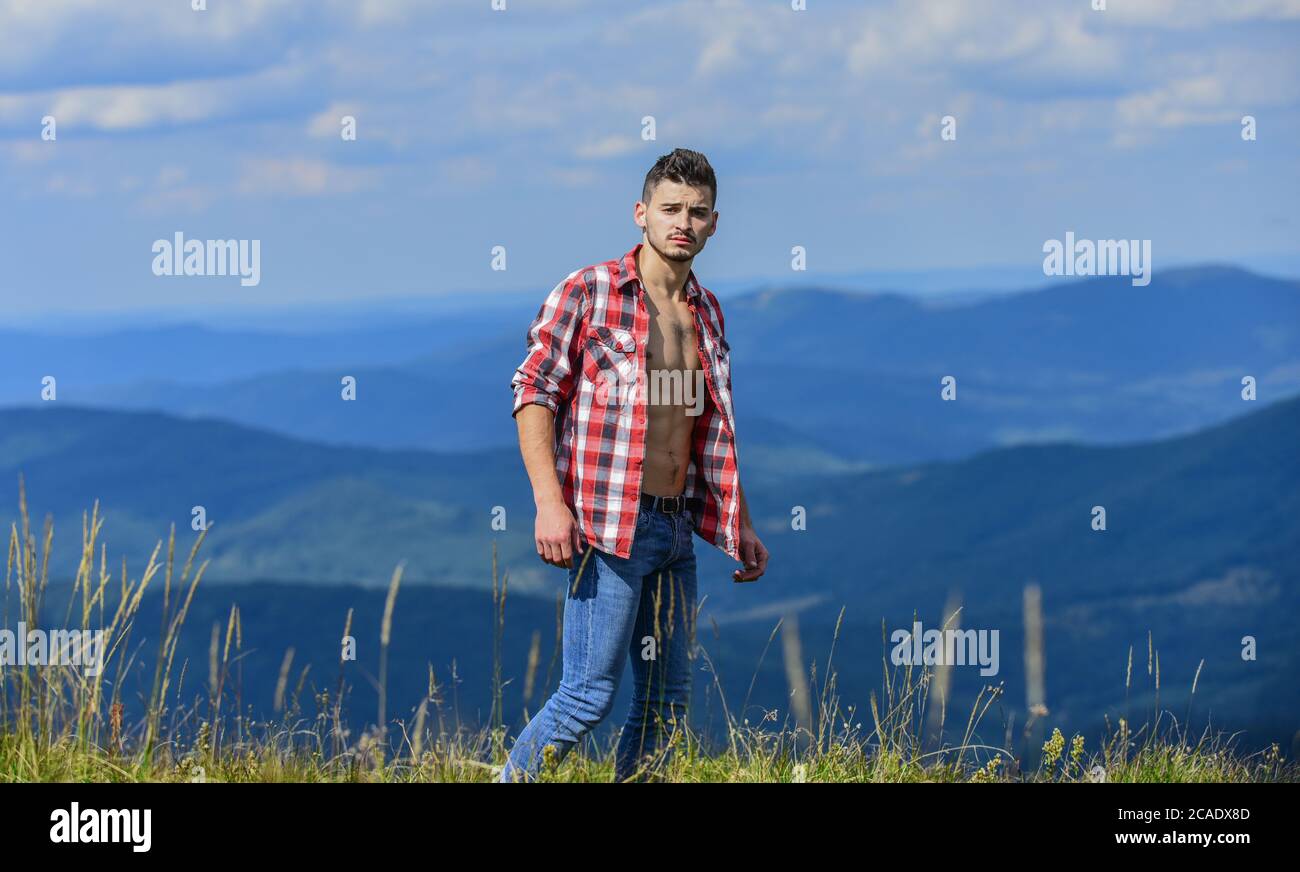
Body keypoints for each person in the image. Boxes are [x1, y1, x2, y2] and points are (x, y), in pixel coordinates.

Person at [501, 148, 769, 782]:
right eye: (670, 208)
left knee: (665, 703)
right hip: (609, 526)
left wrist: (743, 525)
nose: (684, 222)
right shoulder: (589, 292)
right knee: (587, 697)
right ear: (640, 213)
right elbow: (534, 390)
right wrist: (548, 501)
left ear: (714, 224)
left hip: (676, 529)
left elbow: (706, 430)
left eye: (697, 212)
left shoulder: (705, 312)